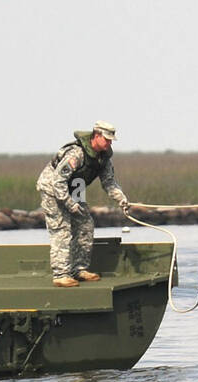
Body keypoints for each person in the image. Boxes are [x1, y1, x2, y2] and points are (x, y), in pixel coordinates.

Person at [36, 121, 132, 287]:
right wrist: (68, 203)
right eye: (106, 139)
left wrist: (121, 198)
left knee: (85, 225)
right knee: (62, 229)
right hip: (53, 188)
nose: (109, 143)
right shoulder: (76, 154)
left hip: (75, 189)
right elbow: (58, 181)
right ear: (96, 136)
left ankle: (78, 269)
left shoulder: (103, 158)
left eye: (111, 140)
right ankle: (60, 275)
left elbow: (109, 182)